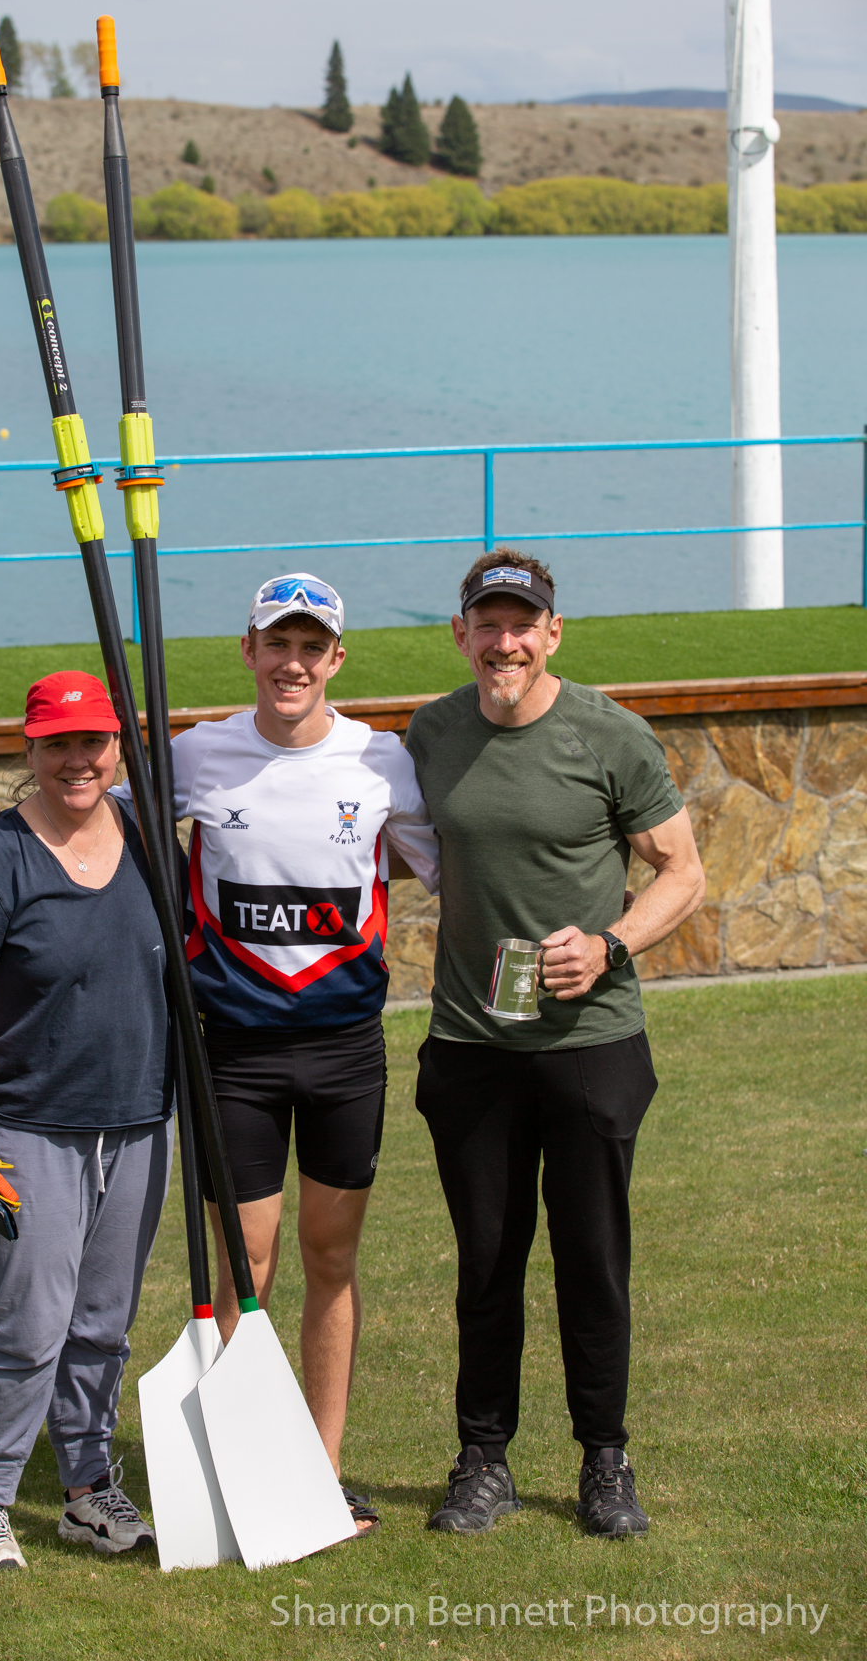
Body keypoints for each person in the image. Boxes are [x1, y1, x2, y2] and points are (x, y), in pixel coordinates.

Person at [0, 574, 440, 1534]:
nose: (293, 662)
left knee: (330, 1257)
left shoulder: (383, 763)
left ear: (337, 658)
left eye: (313, 647)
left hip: (345, 1049)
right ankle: (236, 1468)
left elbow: (454, 869)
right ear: (249, 653)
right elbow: (83, 800)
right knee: (242, 1268)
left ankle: (320, 1470)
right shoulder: (197, 755)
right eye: (276, 644)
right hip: (237, 1055)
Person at [404, 551, 705, 1541]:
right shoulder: (432, 732)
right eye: (487, 624)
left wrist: (611, 941)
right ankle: (482, 1461)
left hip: (591, 1044)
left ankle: (605, 1462)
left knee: (592, 1258)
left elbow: (682, 872)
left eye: (521, 624)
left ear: (553, 634)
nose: (505, 642)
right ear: (461, 635)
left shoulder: (610, 735)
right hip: (471, 1044)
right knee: (486, 1263)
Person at [0, 670, 174, 1571]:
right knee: (29, 1323)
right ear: (29, 748)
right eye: (58, 742)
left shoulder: (151, 840)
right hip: (25, 1128)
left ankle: (84, 1490)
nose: (78, 759)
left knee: (103, 1322)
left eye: (94, 742)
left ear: (119, 748)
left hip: (141, 1121)